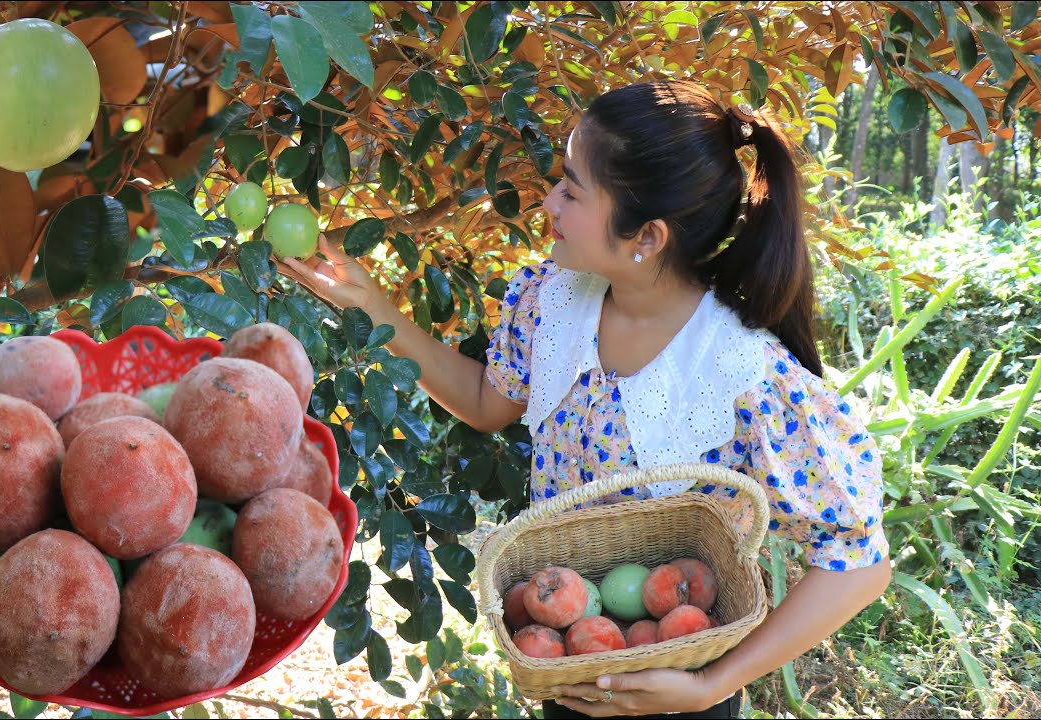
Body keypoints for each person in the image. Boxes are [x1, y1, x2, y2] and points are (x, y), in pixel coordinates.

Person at [280, 80, 891, 719]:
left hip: (677, 693)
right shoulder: (556, 302)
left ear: (647, 238)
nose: (548, 203)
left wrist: (712, 685)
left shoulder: (740, 372)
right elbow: (488, 403)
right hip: (569, 661)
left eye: (571, 190)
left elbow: (859, 562)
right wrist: (371, 305)